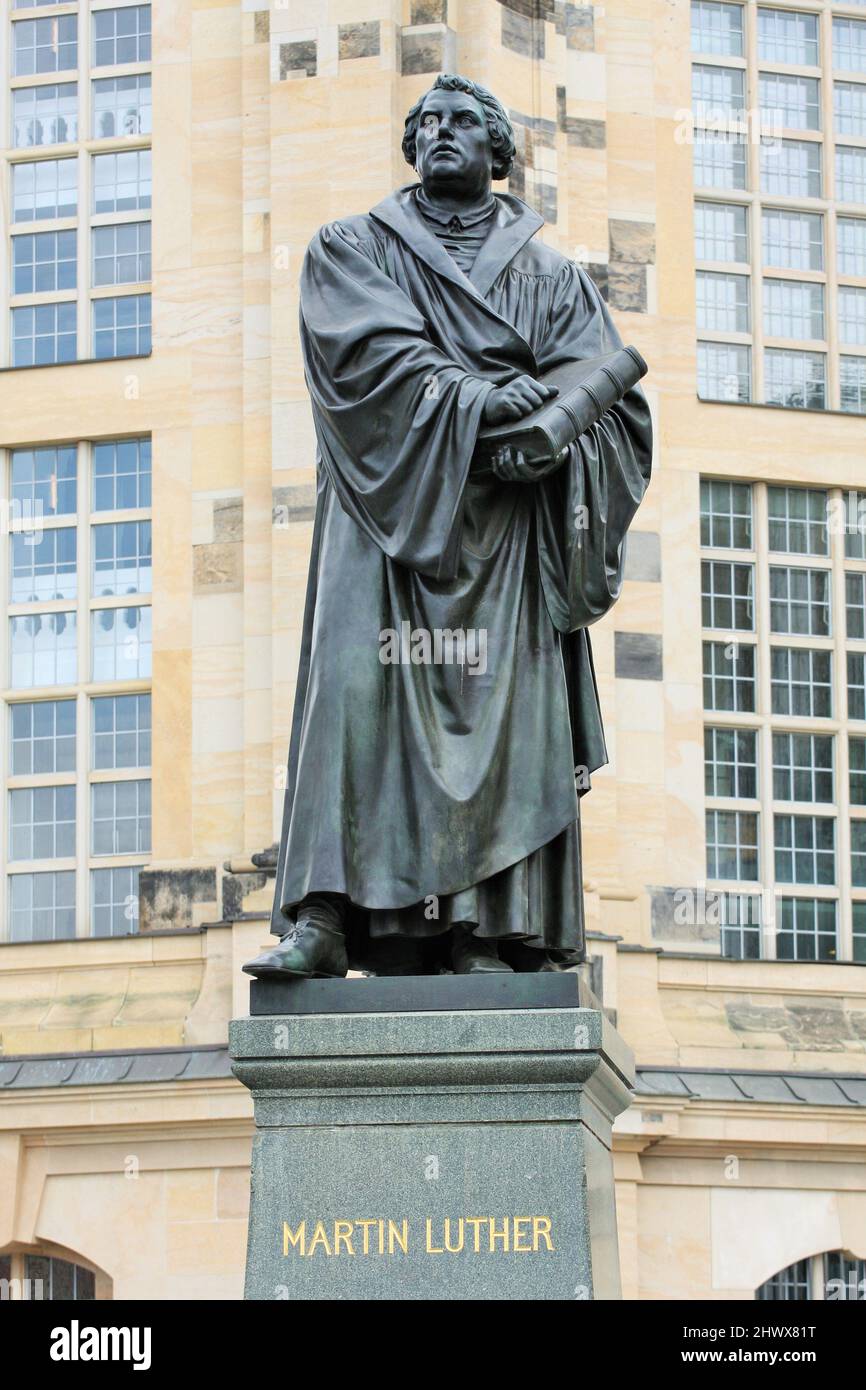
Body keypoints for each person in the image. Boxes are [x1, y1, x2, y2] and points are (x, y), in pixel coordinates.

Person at [243, 74, 652, 980]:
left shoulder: (551, 274)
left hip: (506, 538)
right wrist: (481, 400)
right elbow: (364, 364)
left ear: (498, 149)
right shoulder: (351, 247)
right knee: (351, 696)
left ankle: (489, 933)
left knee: (502, 720)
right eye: (425, 123)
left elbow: (619, 415)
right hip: (384, 516)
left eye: (462, 121)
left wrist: (553, 445)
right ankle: (323, 918)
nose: (440, 133)